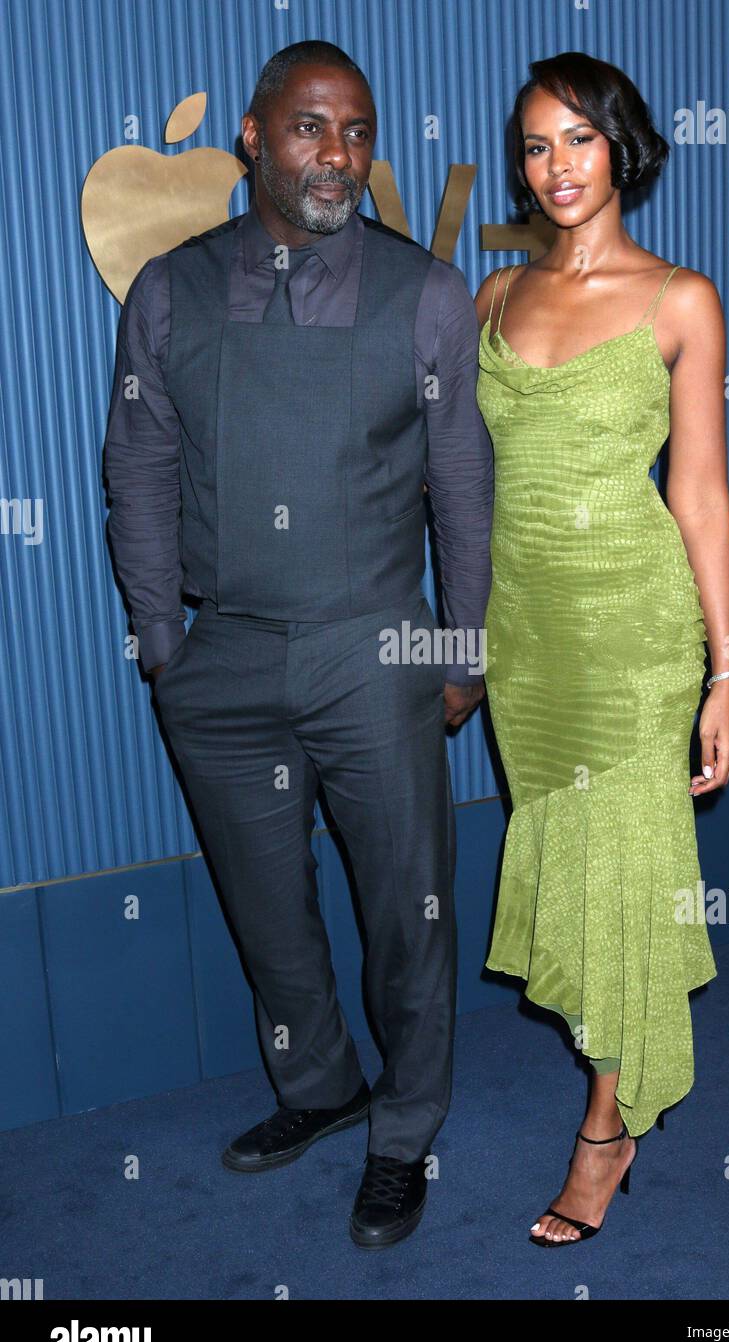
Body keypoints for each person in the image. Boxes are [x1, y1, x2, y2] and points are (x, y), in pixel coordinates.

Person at [103, 40, 492, 1248]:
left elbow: (461, 486)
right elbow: (140, 463)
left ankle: (402, 1131)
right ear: (254, 141)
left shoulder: (422, 292)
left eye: (357, 131)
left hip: (373, 647)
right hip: (223, 663)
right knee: (267, 912)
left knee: (405, 908)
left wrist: (462, 655)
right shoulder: (169, 290)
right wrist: (165, 644)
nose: (338, 154)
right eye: (311, 128)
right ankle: (320, 1089)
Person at [474, 51, 729, 1247]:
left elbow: (698, 492)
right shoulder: (490, 298)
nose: (554, 167)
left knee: (624, 874)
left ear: (618, 145)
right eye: (534, 146)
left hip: (634, 638)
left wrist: (723, 671)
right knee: (573, 876)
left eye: (576, 139)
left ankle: (605, 1125)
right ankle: (610, 1074)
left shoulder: (678, 297)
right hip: (526, 646)